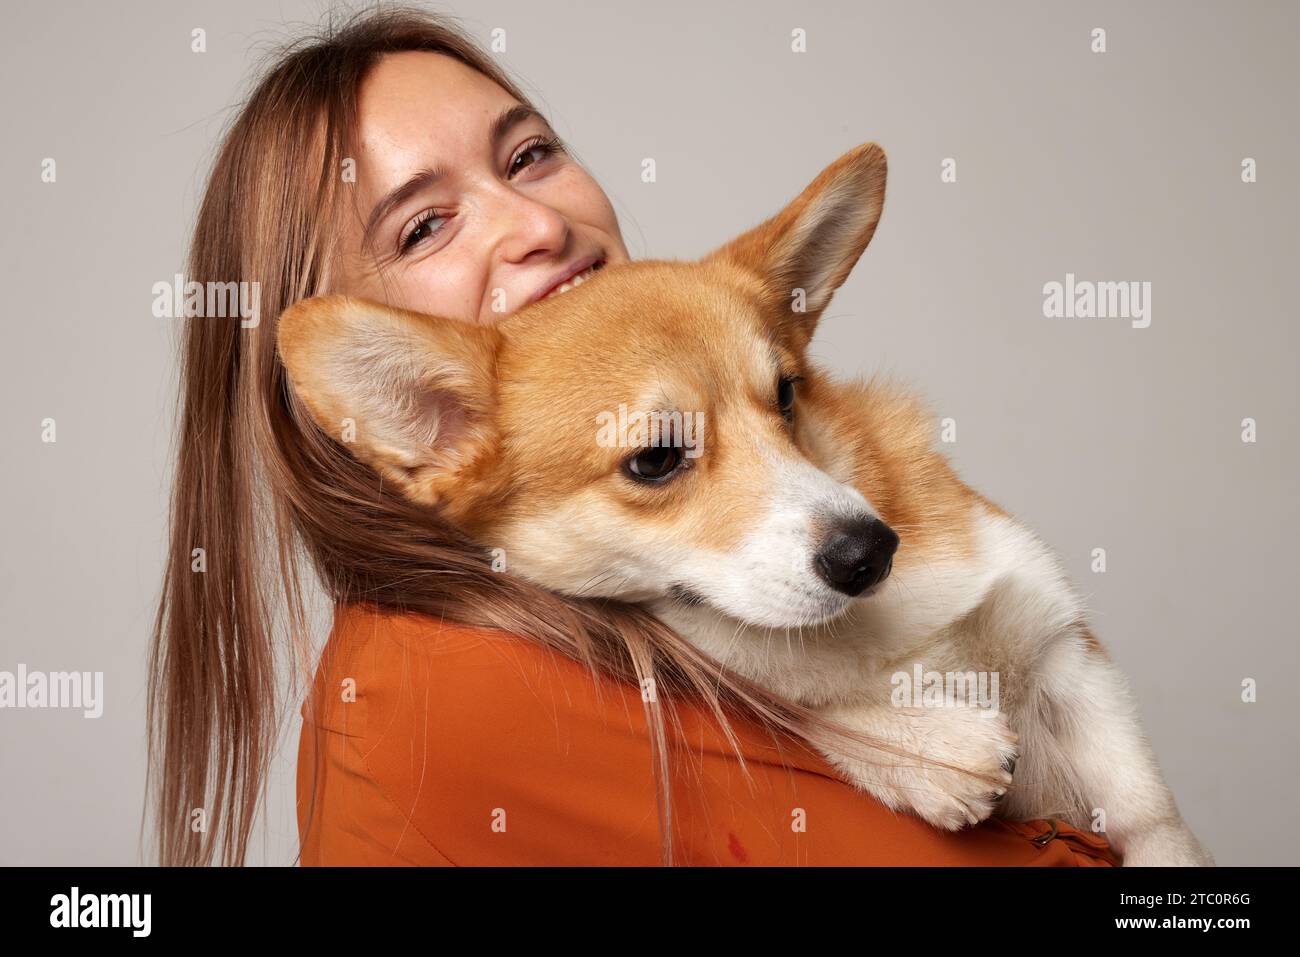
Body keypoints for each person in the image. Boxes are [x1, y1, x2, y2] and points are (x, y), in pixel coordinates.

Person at [148, 6, 1118, 867]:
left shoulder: (642, 592)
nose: (535, 223)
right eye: (423, 226)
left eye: (529, 155)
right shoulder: (443, 694)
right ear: (404, 399)